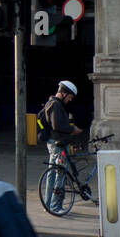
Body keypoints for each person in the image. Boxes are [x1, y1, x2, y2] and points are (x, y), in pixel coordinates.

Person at [41, 80, 86, 210]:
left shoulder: (51, 103)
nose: (70, 100)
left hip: (54, 143)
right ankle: (55, 207)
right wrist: (73, 130)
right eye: (70, 97)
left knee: (52, 174)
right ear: (64, 93)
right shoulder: (56, 105)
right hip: (59, 144)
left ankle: (48, 204)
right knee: (60, 174)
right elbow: (57, 125)